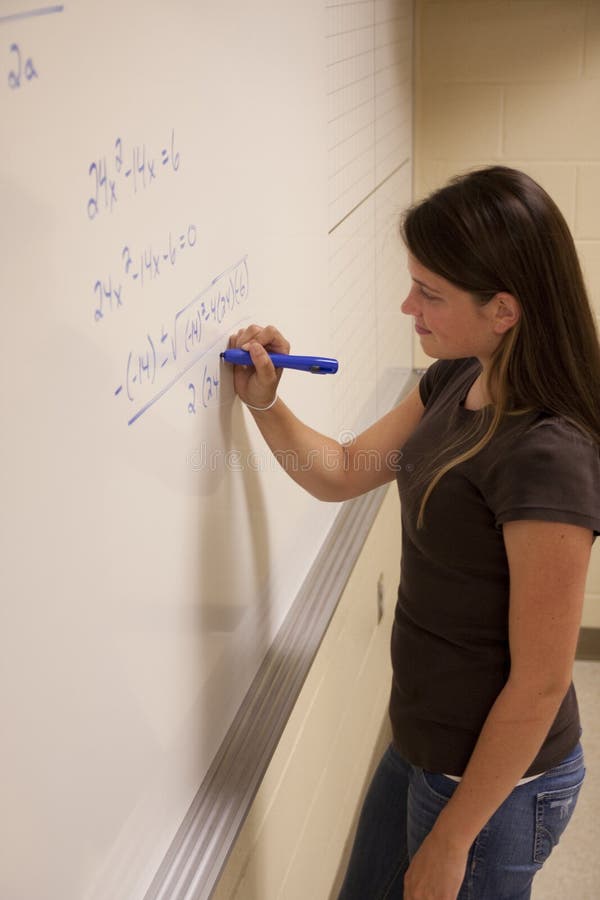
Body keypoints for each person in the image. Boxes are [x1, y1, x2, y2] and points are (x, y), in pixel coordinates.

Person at [226, 166, 600, 900]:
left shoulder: (547, 458)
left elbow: (541, 681)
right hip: (424, 748)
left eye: (429, 293)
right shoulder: (458, 378)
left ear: (504, 310)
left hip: (494, 787)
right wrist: (268, 403)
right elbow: (339, 470)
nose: (408, 306)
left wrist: (455, 837)